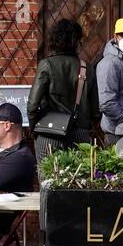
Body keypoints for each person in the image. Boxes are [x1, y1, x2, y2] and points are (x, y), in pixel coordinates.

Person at [28, 18, 99, 152]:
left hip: (49, 133)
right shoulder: (87, 68)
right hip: (80, 134)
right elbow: (95, 110)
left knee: (48, 172)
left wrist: (35, 128)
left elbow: (32, 105)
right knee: (79, 173)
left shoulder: (47, 65)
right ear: (77, 41)